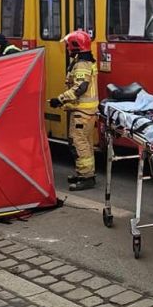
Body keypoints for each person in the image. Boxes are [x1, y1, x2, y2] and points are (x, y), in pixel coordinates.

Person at [49, 30, 98, 191]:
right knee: (86, 143)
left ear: (75, 46)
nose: (68, 49)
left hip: (82, 113)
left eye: (69, 46)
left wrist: (60, 99)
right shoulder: (84, 61)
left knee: (79, 143)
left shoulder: (81, 64)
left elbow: (80, 88)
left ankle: (86, 177)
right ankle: (85, 173)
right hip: (86, 111)